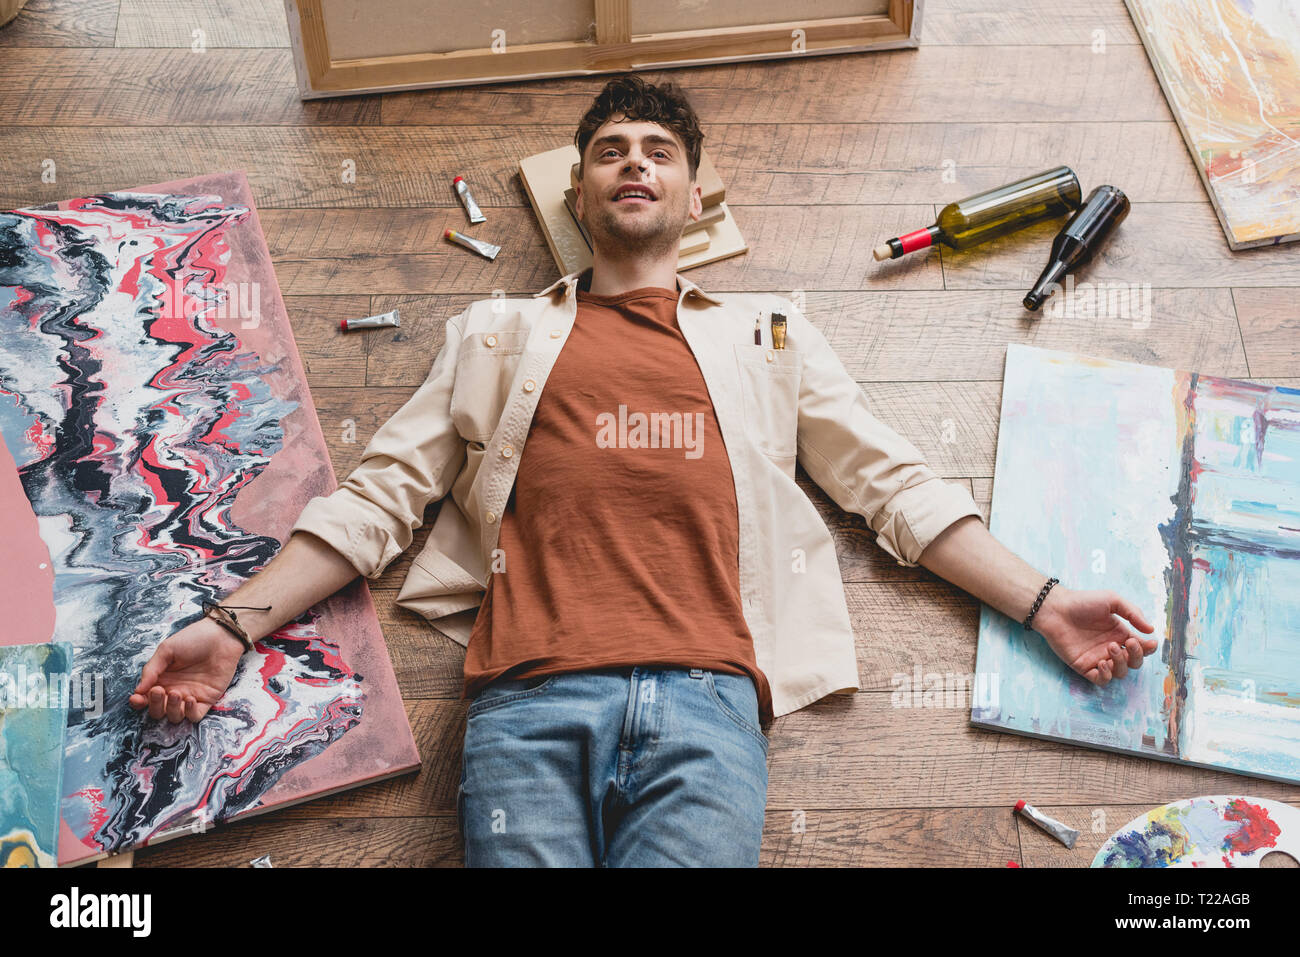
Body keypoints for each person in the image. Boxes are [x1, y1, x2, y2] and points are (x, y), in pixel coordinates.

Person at [130, 75, 1157, 866]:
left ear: (695, 193)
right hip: (524, 704)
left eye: (657, 151)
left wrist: (1046, 602)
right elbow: (380, 499)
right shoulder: (494, 330)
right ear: (577, 192)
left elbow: (894, 489)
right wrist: (230, 627)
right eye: (609, 152)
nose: (633, 163)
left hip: (712, 709)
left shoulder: (774, 335)